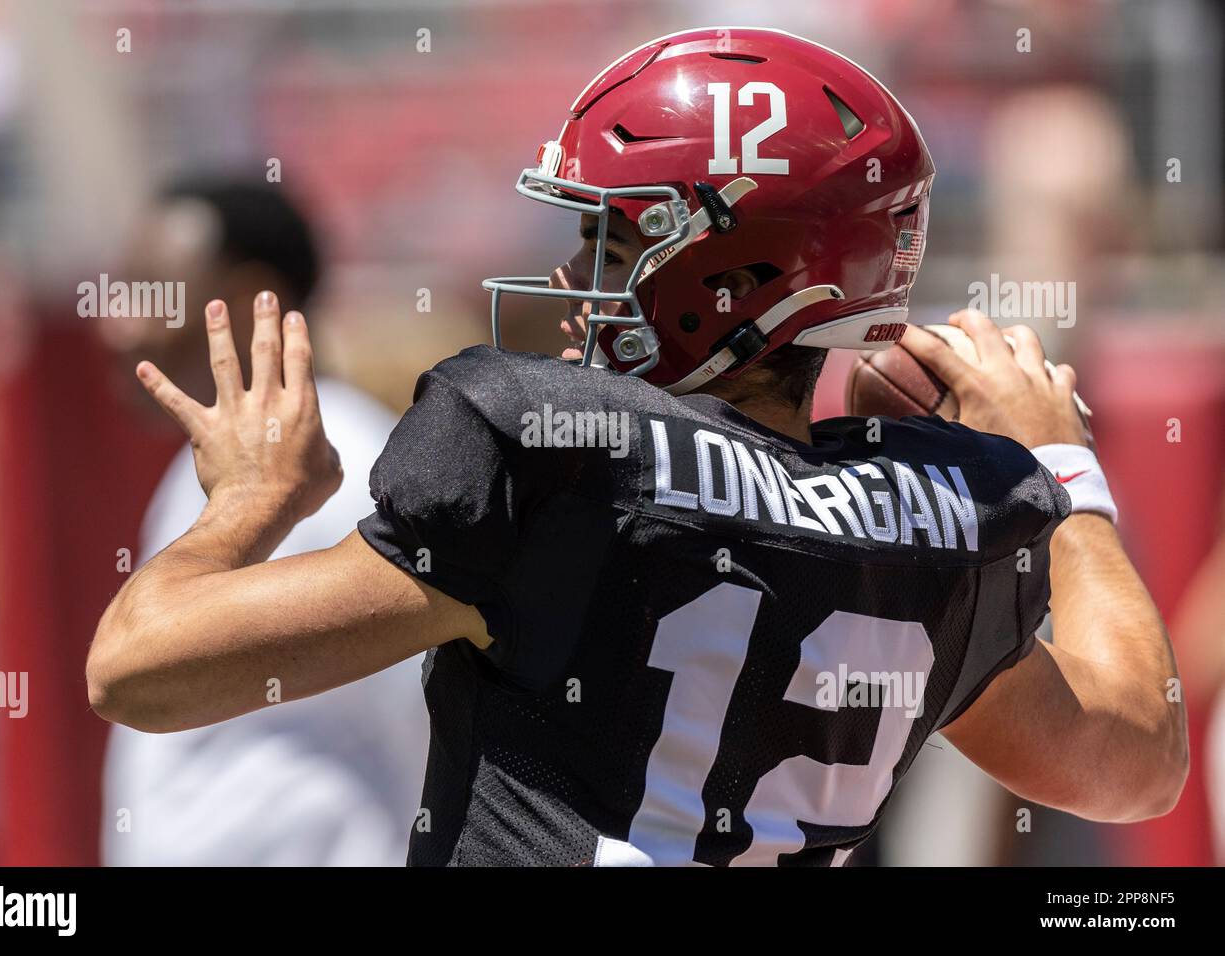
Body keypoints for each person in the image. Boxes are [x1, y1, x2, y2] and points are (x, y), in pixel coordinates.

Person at [86, 29, 1186, 866]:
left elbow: (138, 672)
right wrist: (1062, 477)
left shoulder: (554, 458)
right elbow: (1133, 763)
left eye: (608, 238)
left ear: (734, 276)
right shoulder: (938, 515)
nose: (573, 278)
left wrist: (252, 499)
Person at [98, 179, 427, 866]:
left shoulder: (361, 469)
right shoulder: (203, 465)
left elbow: (432, 722)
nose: (116, 324)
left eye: (149, 291)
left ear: (251, 300)